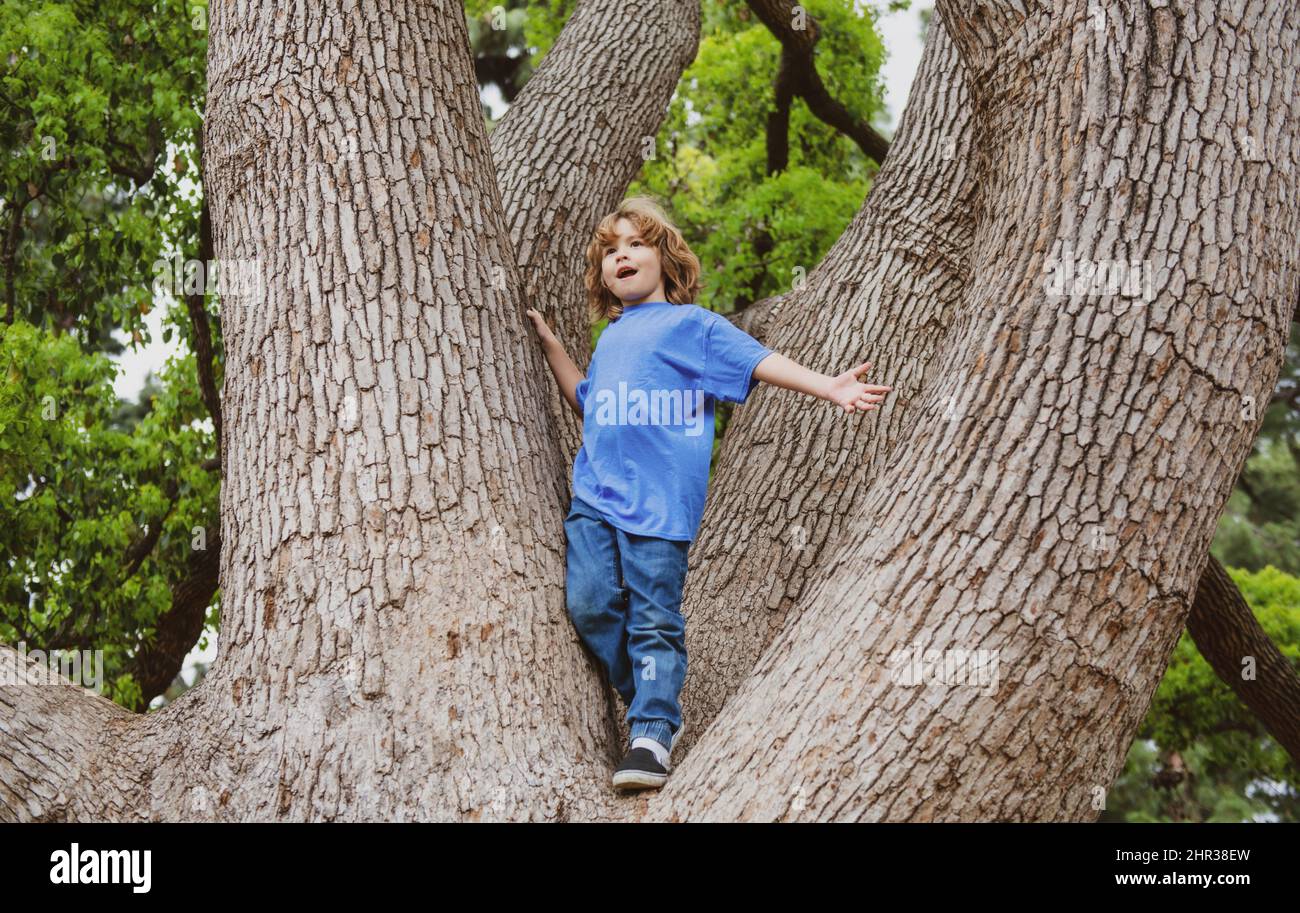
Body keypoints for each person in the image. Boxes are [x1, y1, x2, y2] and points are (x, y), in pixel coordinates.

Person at [525, 196, 893, 791]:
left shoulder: (691, 327)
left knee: (654, 620)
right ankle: (646, 686)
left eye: (635, 244)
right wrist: (551, 349)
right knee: (589, 603)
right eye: (611, 251)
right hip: (594, 496)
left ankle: (652, 729)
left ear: (667, 259)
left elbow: (757, 360)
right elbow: (587, 402)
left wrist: (827, 386)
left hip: (659, 509)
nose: (621, 256)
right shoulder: (613, 337)